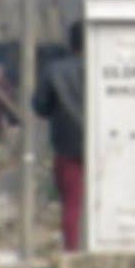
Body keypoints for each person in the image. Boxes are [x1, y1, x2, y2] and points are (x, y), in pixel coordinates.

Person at [33, 22, 85, 251]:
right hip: (105, 146)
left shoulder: (55, 70)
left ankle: (72, 251)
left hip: (67, 146)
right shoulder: (106, 66)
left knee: (71, 203)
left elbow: (40, 106)